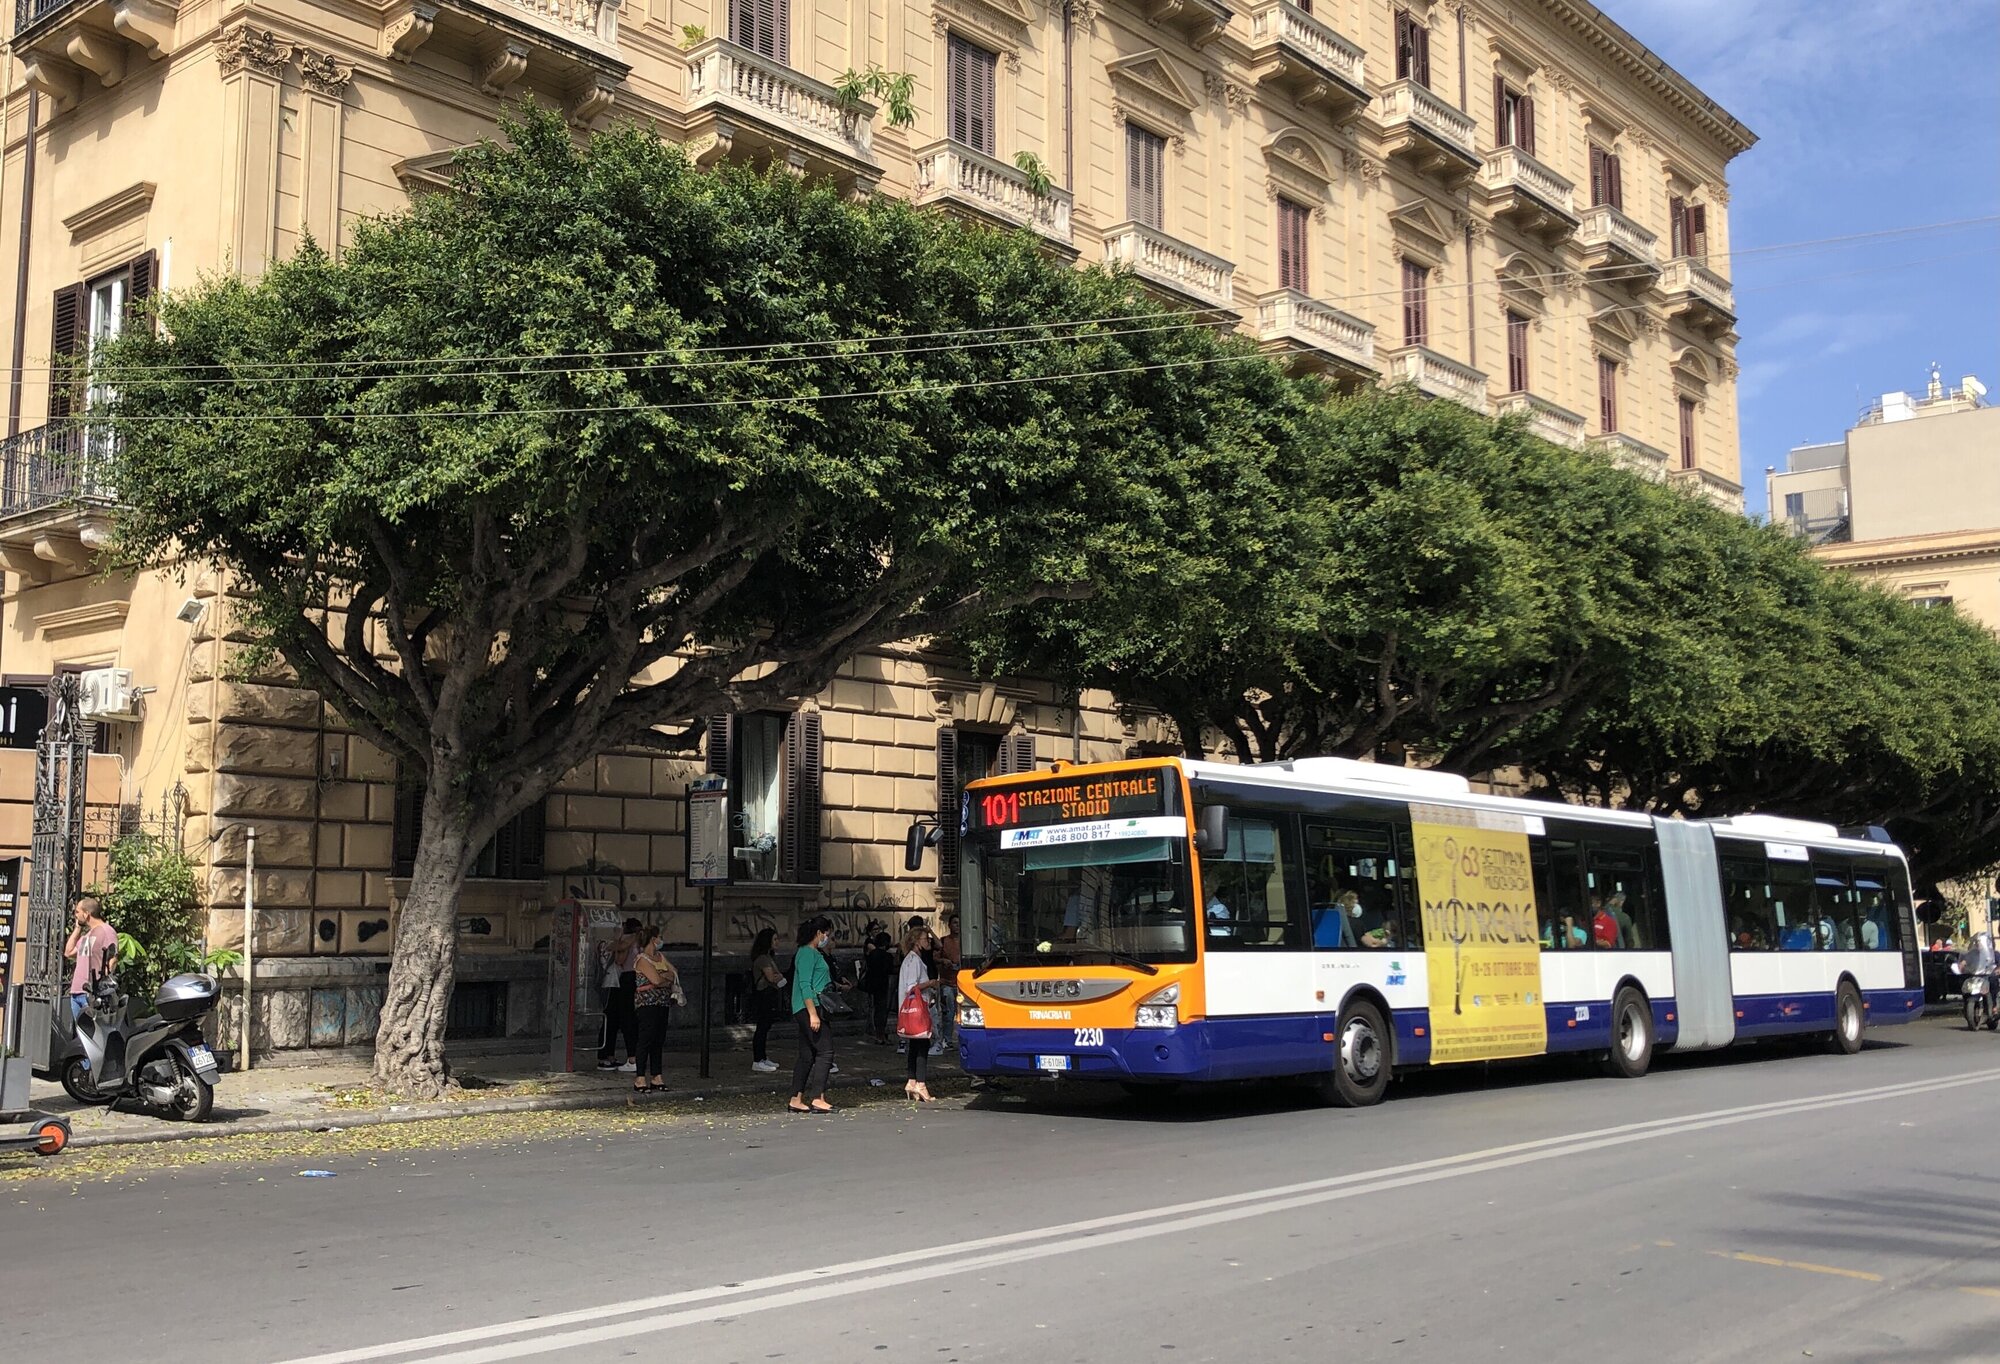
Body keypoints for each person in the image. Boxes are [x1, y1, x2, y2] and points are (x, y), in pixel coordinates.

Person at [788, 917, 836, 1114]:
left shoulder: (813, 953)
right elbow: (805, 985)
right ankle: (818, 1096)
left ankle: (796, 1098)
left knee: (807, 1055)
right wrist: (813, 1014)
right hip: (810, 1007)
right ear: (819, 933)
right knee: (825, 1051)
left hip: (807, 1006)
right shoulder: (807, 953)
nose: (828, 938)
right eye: (827, 934)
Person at [898, 924, 945, 1102]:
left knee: (915, 1046)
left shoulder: (912, 960)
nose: (929, 942)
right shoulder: (914, 961)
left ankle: (912, 1080)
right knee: (922, 1045)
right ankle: (921, 1083)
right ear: (917, 942)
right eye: (926, 939)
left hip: (913, 1008)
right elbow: (912, 987)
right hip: (918, 1009)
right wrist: (931, 983)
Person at [630, 926, 677, 1094]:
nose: (661, 940)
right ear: (653, 939)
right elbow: (657, 980)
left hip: (662, 1003)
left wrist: (664, 978)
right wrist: (665, 978)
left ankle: (657, 1076)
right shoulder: (642, 959)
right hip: (647, 1004)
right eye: (659, 937)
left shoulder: (660, 957)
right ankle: (640, 1077)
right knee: (645, 1039)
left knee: (658, 1040)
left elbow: (674, 974)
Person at [62, 895, 116, 1026]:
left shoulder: (106, 931)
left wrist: (104, 986)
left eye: (77, 912)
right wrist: (78, 928)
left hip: (91, 993)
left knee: (94, 1032)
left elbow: (112, 959)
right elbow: (68, 952)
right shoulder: (87, 935)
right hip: (76, 992)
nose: (76, 915)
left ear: (87, 914)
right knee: (81, 1034)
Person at [597, 918, 642, 1072]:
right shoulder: (617, 942)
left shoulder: (631, 942)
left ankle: (610, 1055)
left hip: (625, 980)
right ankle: (606, 1056)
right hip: (616, 982)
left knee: (617, 1019)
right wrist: (627, 939)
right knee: (614, 1018)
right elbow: (619, 957)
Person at [748, 927, 786, 1074]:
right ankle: (758, 1059)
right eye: (775, 939)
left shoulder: (769, 957)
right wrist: (778, 976)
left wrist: (778, 976)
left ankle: (763, 1057)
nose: (777, 942)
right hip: (763, 994)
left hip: (769, 994)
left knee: (766, 1026)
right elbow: (772, 977)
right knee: (762, 1027)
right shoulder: (763, 959)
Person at [935, 910, 963, 1051]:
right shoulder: (944, 941)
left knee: (965, 1013)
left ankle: (963, 1039)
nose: (957, 926)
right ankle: (947, 1039)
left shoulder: (966, 941)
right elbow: (935, 958)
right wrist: (944, 961)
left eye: (959, 923)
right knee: (948, 1013)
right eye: (955, 923)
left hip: (962, 983)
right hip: (947, 981)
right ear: (950, 925)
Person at [861, 931, 895, 1044]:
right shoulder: (887, 956)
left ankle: (877, 1033)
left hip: (872, 984)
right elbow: (890, 970)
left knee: (875, 1009)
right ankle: (880, 1034)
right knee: (882, 1010)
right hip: (883, 985)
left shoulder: (872, 954)